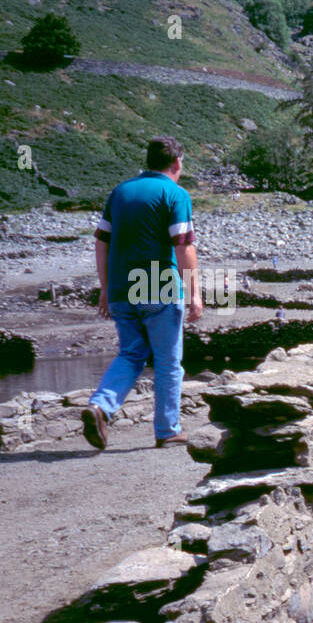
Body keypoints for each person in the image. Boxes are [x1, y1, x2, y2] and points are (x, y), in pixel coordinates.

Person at [82, 137, 202, 451]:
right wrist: (195, 294)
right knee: (168, 362)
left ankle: (101, 406)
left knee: (131, 354)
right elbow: (184, 246)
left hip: (122, 287)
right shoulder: (175, 194)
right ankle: (167, 430)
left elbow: (101, 242)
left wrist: (106, 289)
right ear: (177, 162)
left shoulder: (120, 192)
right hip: (158, 286)